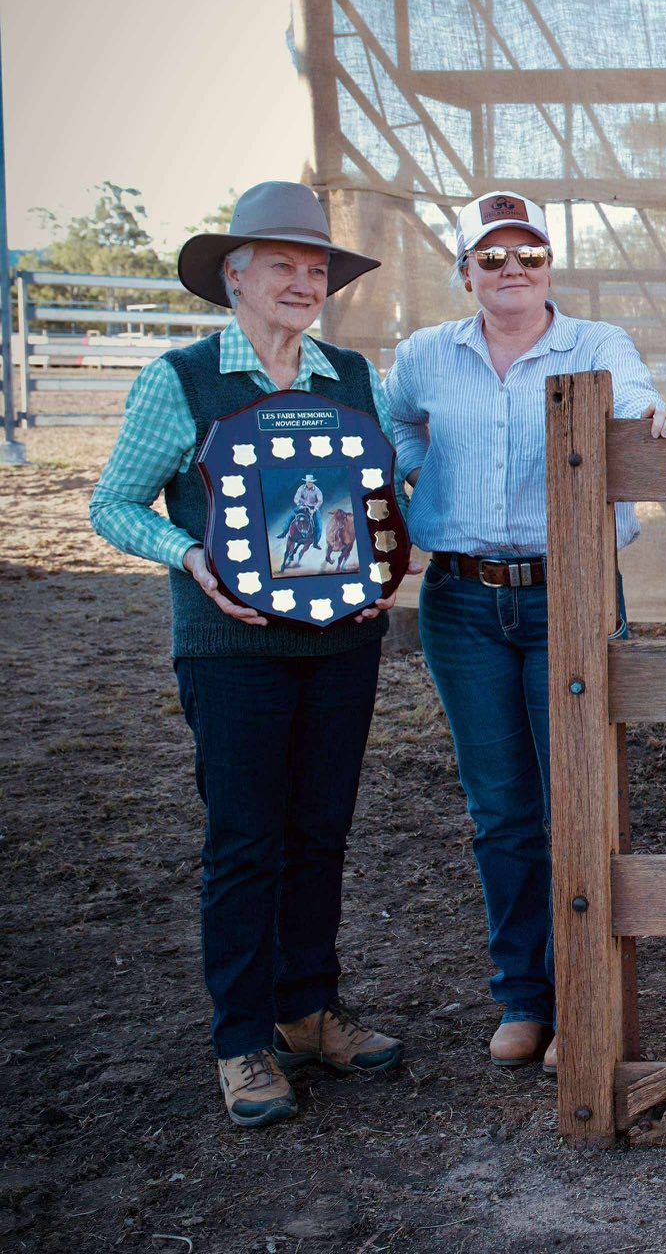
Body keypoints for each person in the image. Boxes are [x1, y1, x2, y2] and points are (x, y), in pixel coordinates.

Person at [87, 181, 405, 1128]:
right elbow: (114, 504)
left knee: (321, 828)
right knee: (244, 839)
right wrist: (189, 556)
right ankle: (241, 1039)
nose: (304, 283)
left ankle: (308, 1011)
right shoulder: (180, 380)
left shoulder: (350, 378)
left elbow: (377, 490)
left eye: (316, 269)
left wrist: (392, 543)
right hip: (230, 649)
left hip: (344, 641)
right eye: (283, 266)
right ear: (234, 276)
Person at [384, 190, 666, 1072]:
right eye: (494, 257)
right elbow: (393, 426)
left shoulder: (594, 345)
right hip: (465, 600)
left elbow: (632, 403)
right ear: (466, 272)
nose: (514, 268)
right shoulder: (423, 356)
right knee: (501, 807)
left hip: (573, 587)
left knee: (579, 795)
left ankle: (583, 1000)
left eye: (531, 253)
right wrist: (422, 485)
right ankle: (524, 997)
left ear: (550, 266)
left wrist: (655, 422)